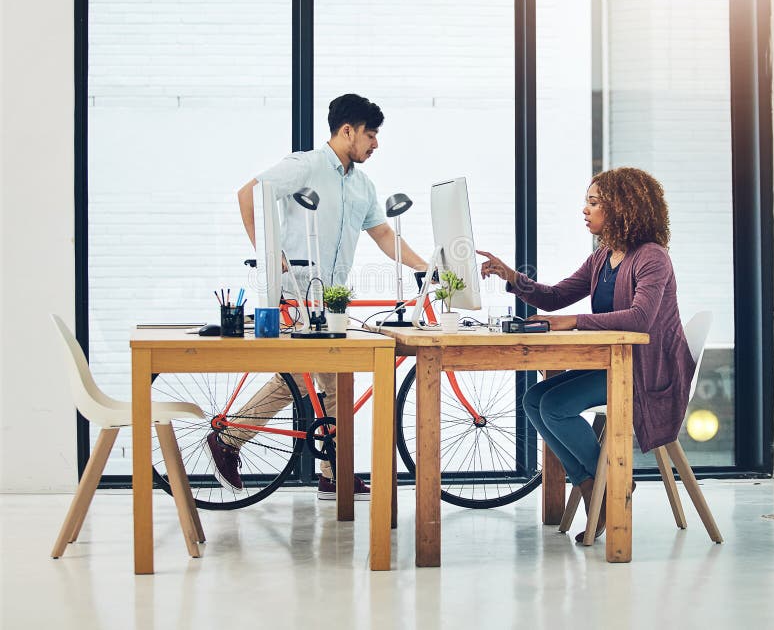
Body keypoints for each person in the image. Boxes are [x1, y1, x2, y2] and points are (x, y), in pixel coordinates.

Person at [206, 93, 428, 499]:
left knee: (330, 382)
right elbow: (248, 195)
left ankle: (332, 473)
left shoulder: (362, 184)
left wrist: (423, 267)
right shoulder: (305, 165)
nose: (375, 144)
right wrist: (269, 255)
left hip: (332, 302)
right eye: (371, 135)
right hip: (298, 296)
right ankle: (234, 438)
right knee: (309, 377)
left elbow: (381, 233)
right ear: (348, 131)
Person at [477, 167, 695, 542]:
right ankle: (597, 486)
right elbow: (556, 296)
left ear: (623, 208)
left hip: (647, 371)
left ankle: (611, 485)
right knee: (534, 400)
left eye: (594, 203)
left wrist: (573, 322)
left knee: (555, 406)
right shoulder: (603, 256)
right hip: (616, 364)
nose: (585, 210)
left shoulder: (652, 257)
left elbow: (640, 318)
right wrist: (510, 276)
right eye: (587, 202)